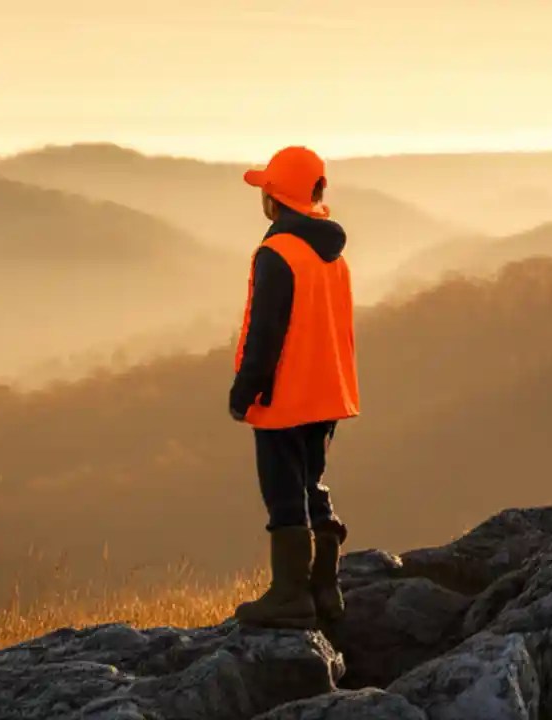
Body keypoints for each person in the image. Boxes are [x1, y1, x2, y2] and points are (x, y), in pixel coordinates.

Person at [229, 146, 361, 629]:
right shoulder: (333, 256)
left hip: (283, 396)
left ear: (274, 197)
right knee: (311, 481)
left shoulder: (277, 253)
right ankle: (325, 588)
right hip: (326, 393)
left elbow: (266, 333)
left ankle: (290, 597)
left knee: (284, 493)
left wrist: (245, 391)